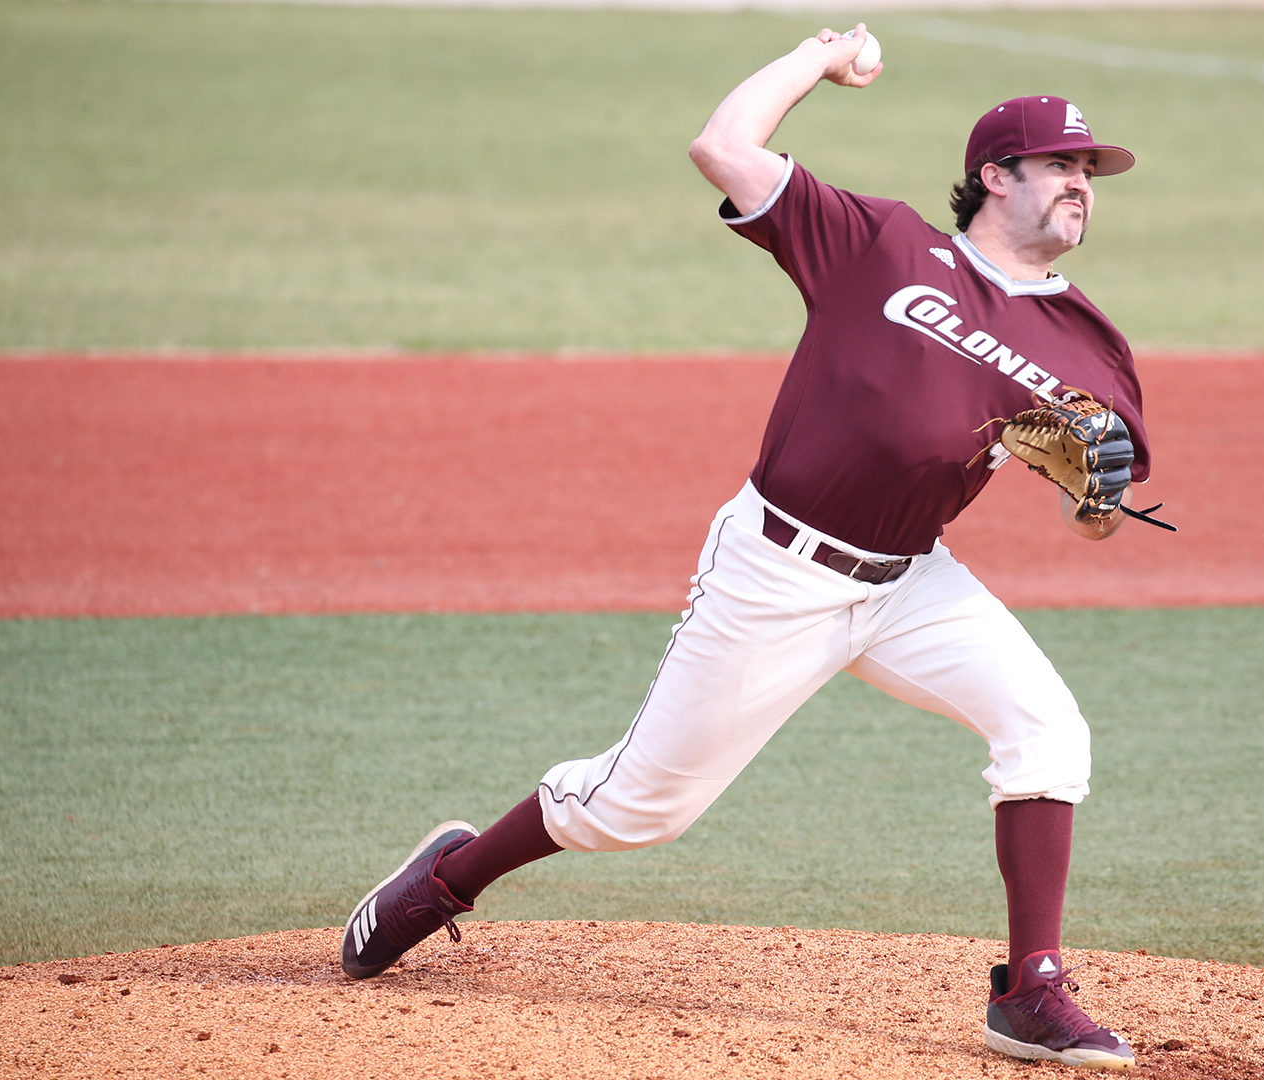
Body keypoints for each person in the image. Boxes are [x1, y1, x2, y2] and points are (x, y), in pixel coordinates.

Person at [340, 24, 1152, 1071]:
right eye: (1061, 164)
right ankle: (452, 874)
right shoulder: (882, 243)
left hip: (912, 582)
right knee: (638, 809)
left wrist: (1093, 496)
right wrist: (821, 57)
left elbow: (1099, 514)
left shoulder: (1089, 343)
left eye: (1091, 171)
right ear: (995, 175)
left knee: (1048, 730)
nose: (1083, 184)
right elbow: (722, 147)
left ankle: (1031, 991)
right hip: (776, 569)